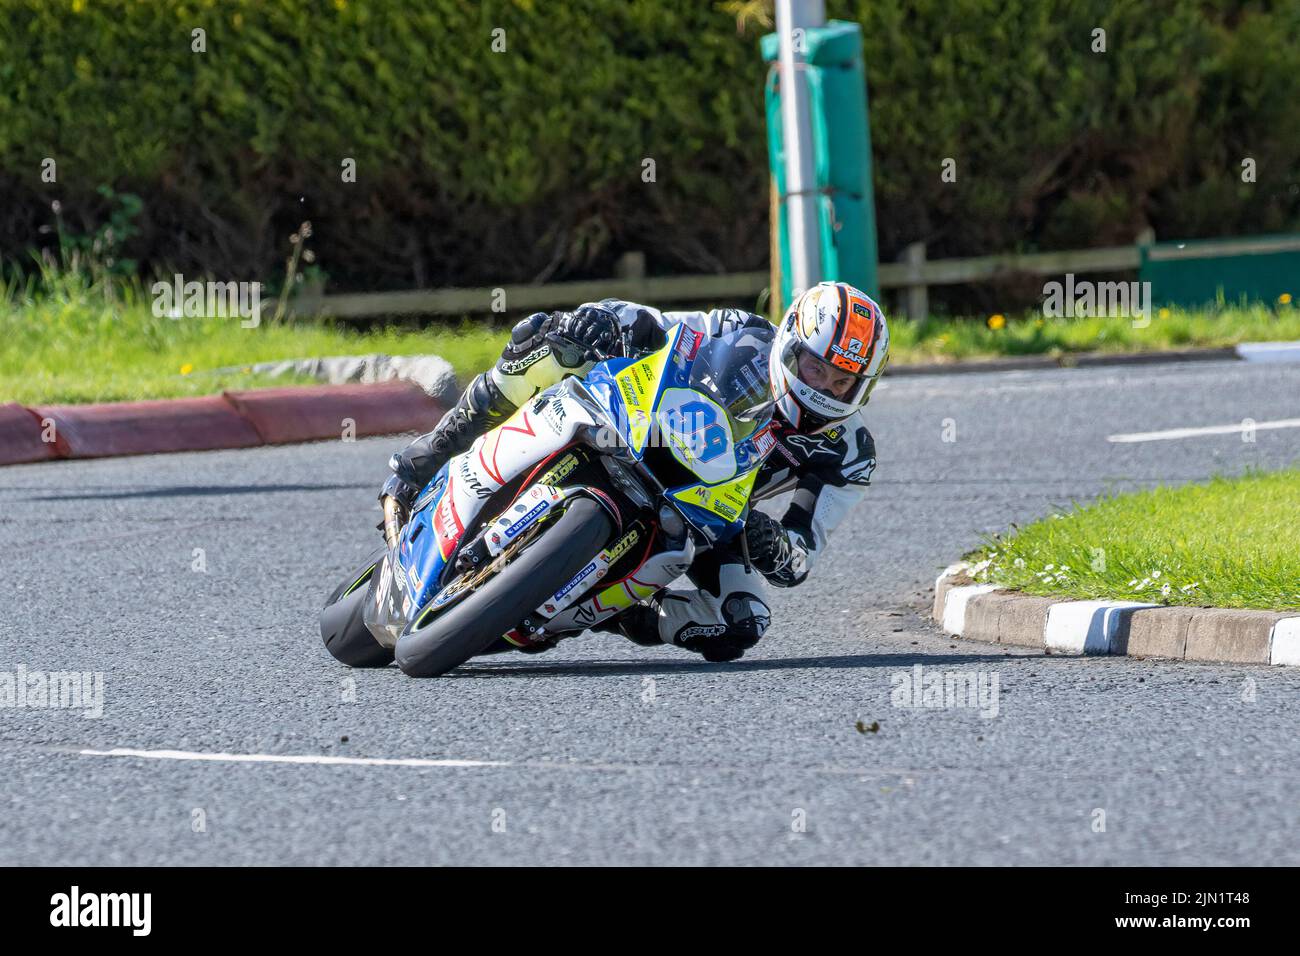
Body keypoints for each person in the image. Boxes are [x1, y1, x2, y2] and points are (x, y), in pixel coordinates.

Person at [379, 281, 890, 661]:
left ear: (862, 387)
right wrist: (603, 321)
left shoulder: (850, 453)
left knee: (741, 621)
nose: (822, 385)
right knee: (542, 344)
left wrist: (768, 539)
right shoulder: (742, 331)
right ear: (790, 347)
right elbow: (656, 323)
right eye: (815, 367)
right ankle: (427, 458)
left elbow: (800, 557)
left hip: (715, 513)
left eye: (842, 380)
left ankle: (600, 609)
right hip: (643, 425)